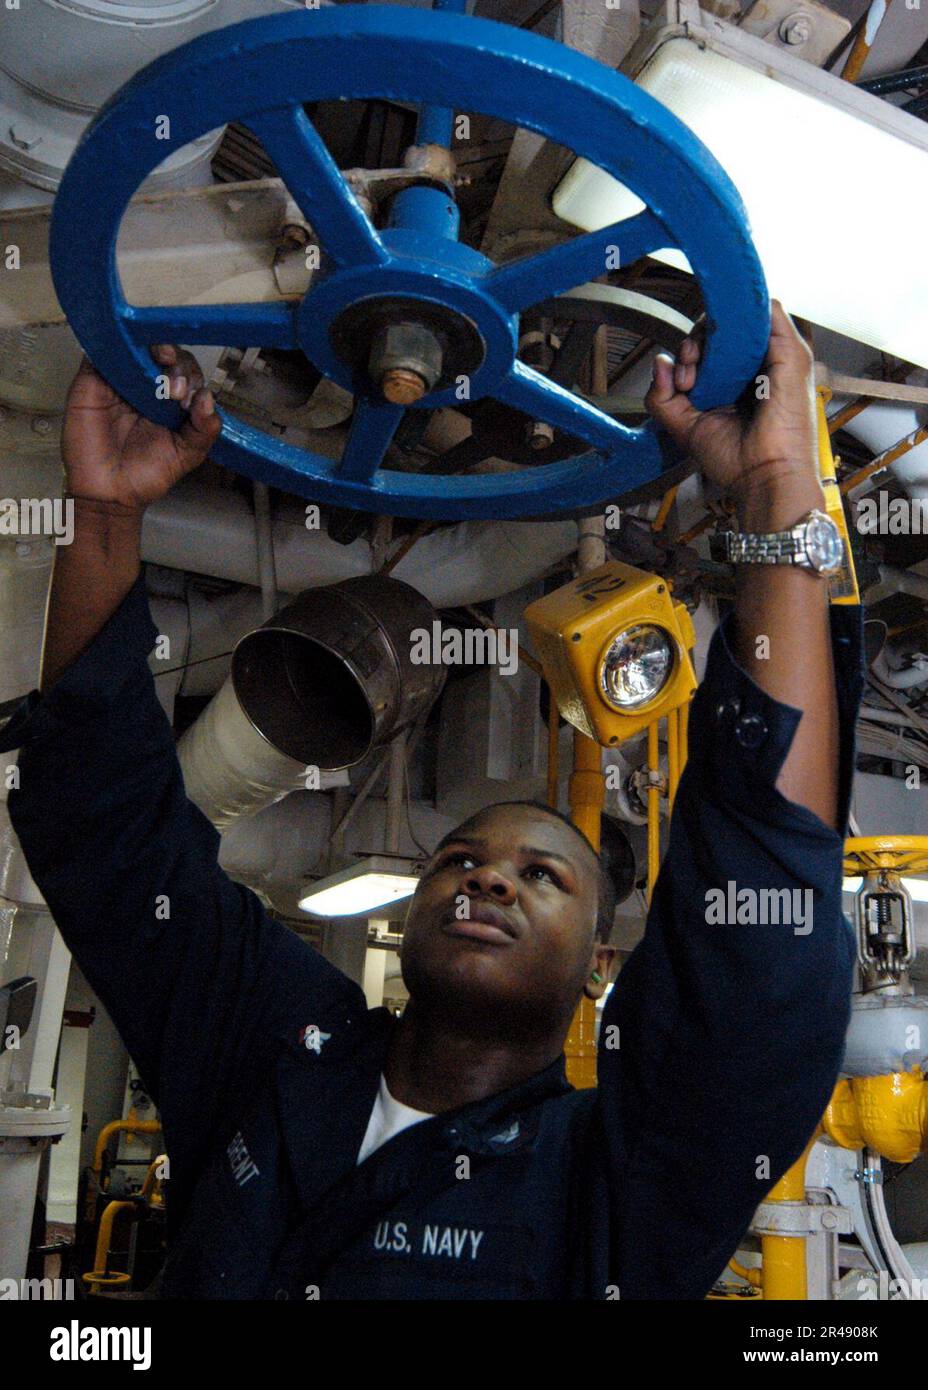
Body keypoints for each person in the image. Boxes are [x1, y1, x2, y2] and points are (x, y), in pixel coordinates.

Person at [0, 304, 864, 1299]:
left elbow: (761, 912)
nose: (488, 874)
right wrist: (104, 513)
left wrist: (773, 487)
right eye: (459, 860)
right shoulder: (269, 1047)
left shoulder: (615, 1178)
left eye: (539, 876)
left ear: (598, 963)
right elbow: (107, 827)